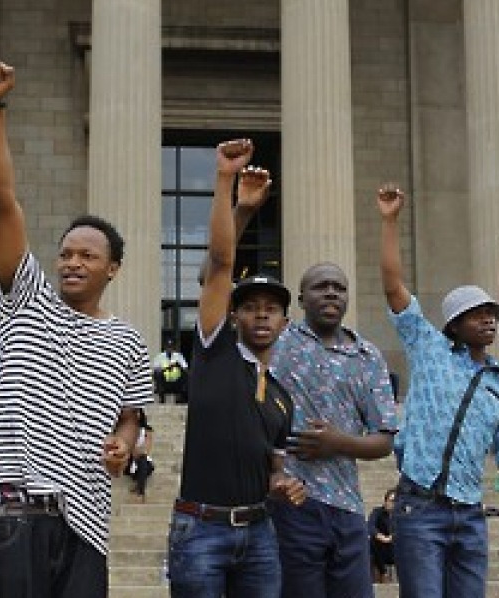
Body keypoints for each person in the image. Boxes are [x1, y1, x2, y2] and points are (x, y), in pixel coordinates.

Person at [0, 61, 154, 598]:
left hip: (88, 523)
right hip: (16, 510)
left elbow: (130, 421)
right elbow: (4, 205)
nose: (71, 262)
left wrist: (121, 446)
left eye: (87, 256)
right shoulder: (26, 301)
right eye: (65, 253)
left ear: (111, 268)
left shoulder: (129, 341)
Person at [168, 138, 305, 598]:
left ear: (286, 322)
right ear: (233, 316)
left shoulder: (283, 396)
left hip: (260, 535)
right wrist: (226, 183)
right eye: (250, 307)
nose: (262, 315)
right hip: (202, 531)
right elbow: (221, 266)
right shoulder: (215, 354)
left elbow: (273, 470)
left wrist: (283, 484)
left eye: (272, 309)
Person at [377, 184, 499, 597]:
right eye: (476, 315)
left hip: (471, 515)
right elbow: (393, 290)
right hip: (420, 507)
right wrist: (389, 222)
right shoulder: (429, 348)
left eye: (491, 315)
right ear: (454, 325)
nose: (488, 321)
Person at [267, 258, 398, 598]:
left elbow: (385, 440)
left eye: (339, 288)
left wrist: (337, 443)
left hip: (348, 508)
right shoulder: (277, 344)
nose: (330, 294)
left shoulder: (367, 357)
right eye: (320, 287)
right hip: (293, 504)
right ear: (300, 299)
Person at [367, 489, 397, 584]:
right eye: (391, 501)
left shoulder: (401, 515)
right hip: (380, 549)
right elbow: (370, 526)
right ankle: (383, 572)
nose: (393, 504)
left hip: (396, 549)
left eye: (396, 502)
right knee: (372, 541)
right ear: (385, 501)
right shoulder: (377, 512)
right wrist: (383, 538)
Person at [126, 409, 154, 502]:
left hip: (143, 460)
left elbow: (147, 447)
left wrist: (140, 451)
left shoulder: (147, 430)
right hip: (130, 461)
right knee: (142, 462)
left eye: (138, 413)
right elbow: (129, 447)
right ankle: (141, 491)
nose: (137, 415)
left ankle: (140, 490)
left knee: (143, 461)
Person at [152, 339, 189, 404]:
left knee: (186, 374)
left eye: (171, 347)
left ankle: (181, 397)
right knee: (157, 374)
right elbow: (156, 369)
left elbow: (185, 367)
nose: (169, 349)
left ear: (173, 348)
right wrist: (166, 368)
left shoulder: (178, 356)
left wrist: (178, 366)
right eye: (168, 347)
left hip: (176, 380)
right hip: (165, 381)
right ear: (165, 347)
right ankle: (162, 397)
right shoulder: (160, 356)